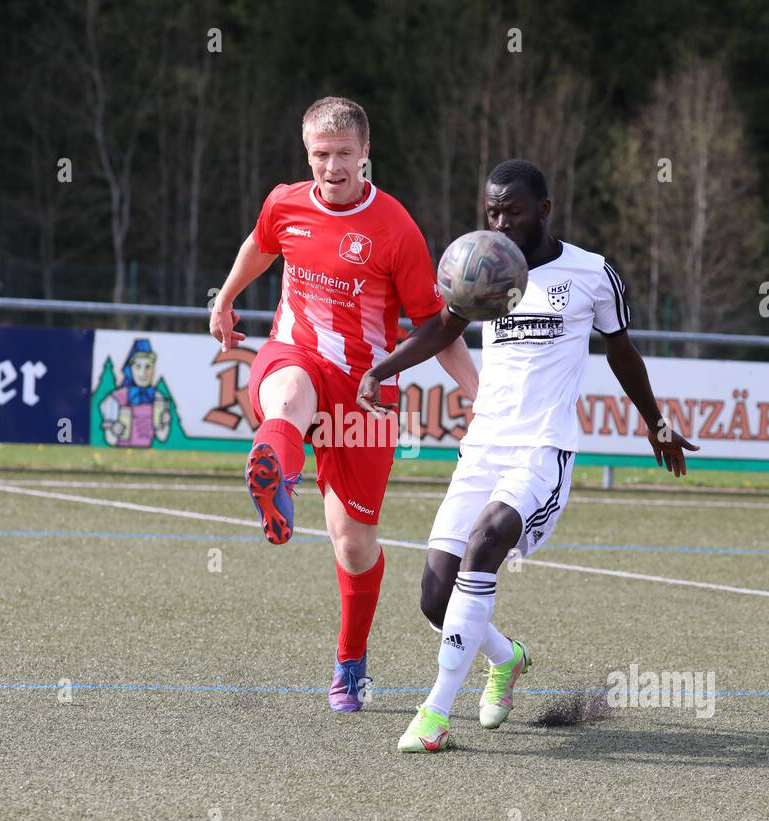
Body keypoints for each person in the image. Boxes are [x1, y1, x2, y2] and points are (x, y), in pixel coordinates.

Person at [356, 159, 699, 751]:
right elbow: (444, 329)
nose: (501, 220)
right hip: (483, 444)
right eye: (492, 209)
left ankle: (434, 714)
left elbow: (622, 351)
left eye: (513, 210)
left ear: (544, 209)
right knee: (436, 598)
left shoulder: (592, 274)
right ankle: (506, 658)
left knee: (487, 541)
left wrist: (656, 421)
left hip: (544, 447)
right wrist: (382, 368)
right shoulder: (483, 266)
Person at [209, 96, 478, 713]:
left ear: (365, 155)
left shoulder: (396, 229)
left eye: (343, 155)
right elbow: (260, 242)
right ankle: (279, 478)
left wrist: (480, 394)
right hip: (295, 353)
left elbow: (434, 326)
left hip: (366, 395)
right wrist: (226, 298)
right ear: (308, 154)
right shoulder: (285, 202)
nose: (331, 167)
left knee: (353, 544)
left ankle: (351, 663)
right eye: (320, 155)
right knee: (287, 393)